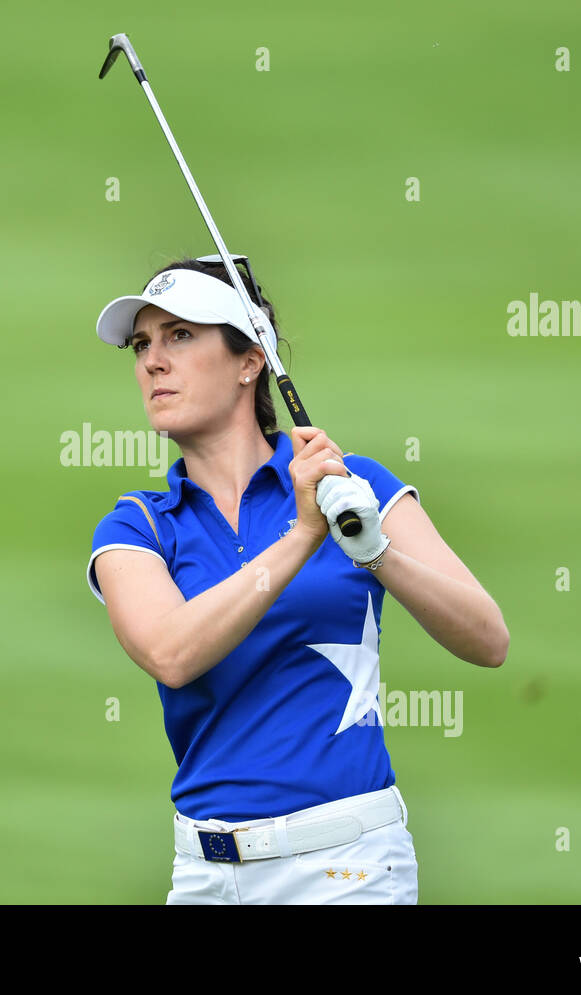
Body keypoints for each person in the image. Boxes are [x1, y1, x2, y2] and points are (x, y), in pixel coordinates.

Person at [85, 255, 509, 905]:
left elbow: (488, 638)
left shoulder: (352, 483)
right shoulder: (141, 524)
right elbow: (171, 653)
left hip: (346, 867)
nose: (152, 361)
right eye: (142, 344)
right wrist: (304, 535)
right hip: (203, 872)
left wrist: (377, 552)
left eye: (180, 335)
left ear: (250, 359)